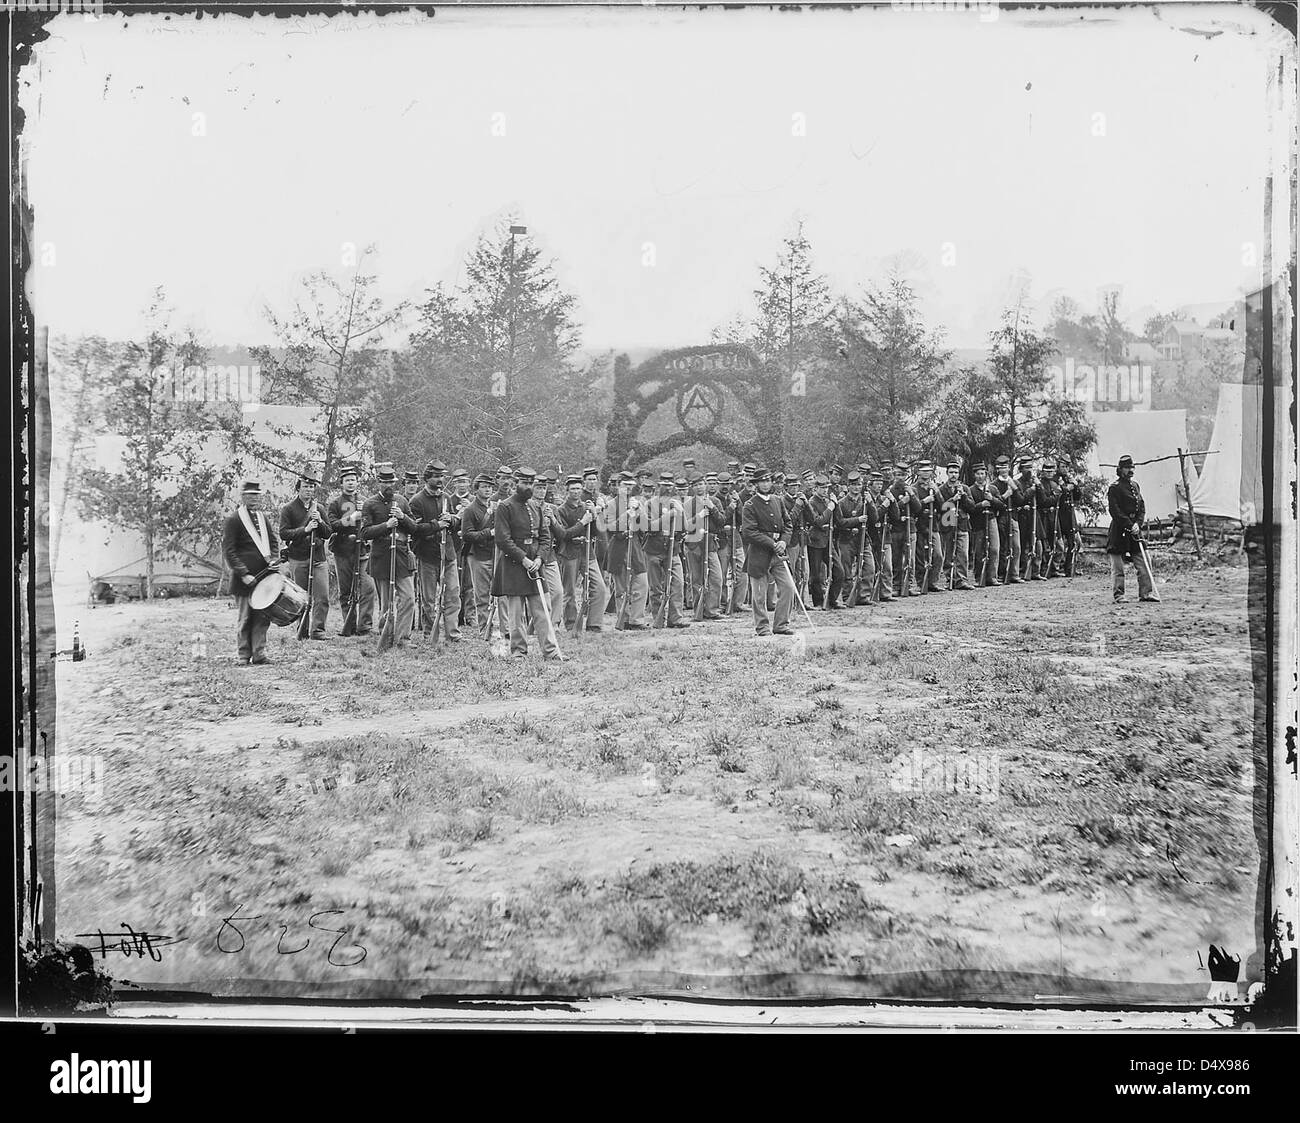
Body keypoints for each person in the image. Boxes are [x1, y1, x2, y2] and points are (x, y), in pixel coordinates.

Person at [492, 466, 565, 660]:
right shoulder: (504, 507)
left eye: (530, 483)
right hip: (514, 565)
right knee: (516, 614)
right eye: (524, 483)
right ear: (516, 484)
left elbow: (545, 537)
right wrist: (523, 559)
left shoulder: (536, 507)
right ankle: (519, 652)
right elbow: (503, 540)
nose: (528, 487)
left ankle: (550, 651)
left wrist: (539, 558)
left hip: (536, 564)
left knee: (543, 608)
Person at [222, 480, 281, 665]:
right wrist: (243, 573)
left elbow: (273, 543)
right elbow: (229, 551)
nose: (254, 498)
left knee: (262, 617)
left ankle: (259, 653)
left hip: (263, 576)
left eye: (256, 495)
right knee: (245, 617)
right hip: (244, 579)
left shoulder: (263, 518)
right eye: (250, 495)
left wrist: (273, 559)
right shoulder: (234, 519)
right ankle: (243, 654)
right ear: (243, 497)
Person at [362, 462, 418, 648]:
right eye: (385, 483)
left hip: (401, 555)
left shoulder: (402, 501)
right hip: (381, 556)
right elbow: (365, 533)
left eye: (391, 483)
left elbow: (414, 528)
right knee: (386, 603)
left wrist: (402, 517)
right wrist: (386, 526)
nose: (388, 486)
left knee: (409, 597)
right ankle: (385, 635)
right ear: (378, 483)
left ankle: (403, 638)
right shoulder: (370, 504)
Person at [408, 459, 461, 642]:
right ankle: (429, 633)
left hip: (448, 555)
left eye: (441, 476)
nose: (440, 480)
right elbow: (415, 529)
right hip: (428, 556)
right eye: (436, 477)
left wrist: (451, 520)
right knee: (429, 599)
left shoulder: (446, 498)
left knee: (453, 594)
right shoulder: (416, 501)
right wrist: (437, 525)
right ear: (427, 478)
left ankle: (452, 633)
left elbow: (455, 524)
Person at [741, 468, 798, 637]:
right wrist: (772, 543)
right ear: (756, 484)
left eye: (768, 480)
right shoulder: (749, 505)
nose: (765, 484)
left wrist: (783, 541)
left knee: (788, 587)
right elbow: (749, 532)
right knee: (759, 595)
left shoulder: (778, 500)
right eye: (762, 481)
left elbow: (788, 524)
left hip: (778, 553)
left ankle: (781, 624)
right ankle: (762, 627)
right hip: (759, 554)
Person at [280, 470, 332, 638]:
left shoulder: (320, 509)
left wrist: (321, 521)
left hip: (318, 558)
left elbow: (328, 533)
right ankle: (302, 630)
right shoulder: (288, 509)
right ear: (298, 488)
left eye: (311, 487)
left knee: (322, 596)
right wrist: (306, 529)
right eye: (305, 486)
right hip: (298, 558)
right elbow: (284, 534)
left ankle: (318, 631)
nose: (308, 490)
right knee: (301, 598)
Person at [329, 461, 376, 635]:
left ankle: (365, 626)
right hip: (342, 551)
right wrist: (351, 518)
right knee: (346, 591)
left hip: (362, 551)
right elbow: (332, 525)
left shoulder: (366, 502)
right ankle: (349, 626)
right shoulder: (335, 503)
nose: (350, 483)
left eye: (353, 479)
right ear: (341, 483)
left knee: (368, 588)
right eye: (347, 480)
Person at [1106, 454, 1161, 603]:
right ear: (1120, 469)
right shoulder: (1114, 488)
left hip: (1135, 530)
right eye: (1127, 468)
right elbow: (1115, 511)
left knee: (1144, 562)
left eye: (1132, 467)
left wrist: (1138, 523)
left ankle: (1146, 593)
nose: (1130, 470)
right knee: (1118, 567)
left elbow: (1141, 507)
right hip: (1119, 530)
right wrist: (1129, 525)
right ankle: (1119, 595)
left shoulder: (1135, 486)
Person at [556, 474, 607, 633]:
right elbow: (564, 534)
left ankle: (594, 624)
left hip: (587, 552)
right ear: (567, 490)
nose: (576, 492)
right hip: (569, 553)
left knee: (599, 587)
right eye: (573, 489)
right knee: (569, 591)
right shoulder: (561, 510)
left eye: (578, 488)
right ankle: (571, 625)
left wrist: (595, 514)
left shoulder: (586, 507)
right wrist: (582, 523)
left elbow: (600, 532)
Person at [601, 471, 650, 630]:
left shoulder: (637, 502)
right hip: (618, 546)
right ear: (618, 486)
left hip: (635, 546)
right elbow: (610, 527)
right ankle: (624, 619)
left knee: (641, 583)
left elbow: (645, 526)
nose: (628, 489)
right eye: (624, 486)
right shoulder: (611, 505)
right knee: (621, 588)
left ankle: (636, 620)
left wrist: (639, 511)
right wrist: (627, 513)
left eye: (630, 486)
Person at [460, 473, 497, 634]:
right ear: (476, 489)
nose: (487, 489)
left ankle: (498, 626)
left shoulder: (495, 507)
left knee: (498, 594)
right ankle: (484, 628)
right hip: (478, 556)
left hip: (495, 554)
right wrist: (490, 533)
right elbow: (467, 535)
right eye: (484, 486)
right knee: (481, 595)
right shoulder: (470, 510)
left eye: (489, 486)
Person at [938, 459, 975, 591]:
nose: (953, 475)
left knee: (963, 554)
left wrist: (963, 496)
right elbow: (940, 507)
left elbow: (972, 507)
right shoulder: (941, 489)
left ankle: (961, 580)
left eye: (956, 472)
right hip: (948, 523)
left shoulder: (964, 488)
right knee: (949, 553)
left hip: (962, 524)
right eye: (951, 472)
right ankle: (950, 579)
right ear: (947, 473)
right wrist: (952, 500)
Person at [967, 461, 1004, 588]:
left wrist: (991, 499)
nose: (980, 476)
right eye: (978, 474)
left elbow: (1002, 505)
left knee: (994, 549)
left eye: (982, 473)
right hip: (978, 522)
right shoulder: (970, 490)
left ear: (986, 475)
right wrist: (981, 505)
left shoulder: (993, 489)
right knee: (979, 551)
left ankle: (992, 577)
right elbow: (970, 508)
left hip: (991, 520)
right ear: (974, 475)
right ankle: (979, 577)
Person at [1056, 464, 1083, 577]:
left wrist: (1075, 486)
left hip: (1070, 515)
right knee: (1058, 544)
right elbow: (1060, 494)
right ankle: (1055, 568)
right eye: (1062, 466)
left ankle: (1070, 567)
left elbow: (1077, 497)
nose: (1065, 469)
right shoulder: (1055, 479)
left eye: (1066, 467)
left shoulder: (1069, 479)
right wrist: (1066, 488)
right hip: (1059, 516)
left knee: (1075, 542)